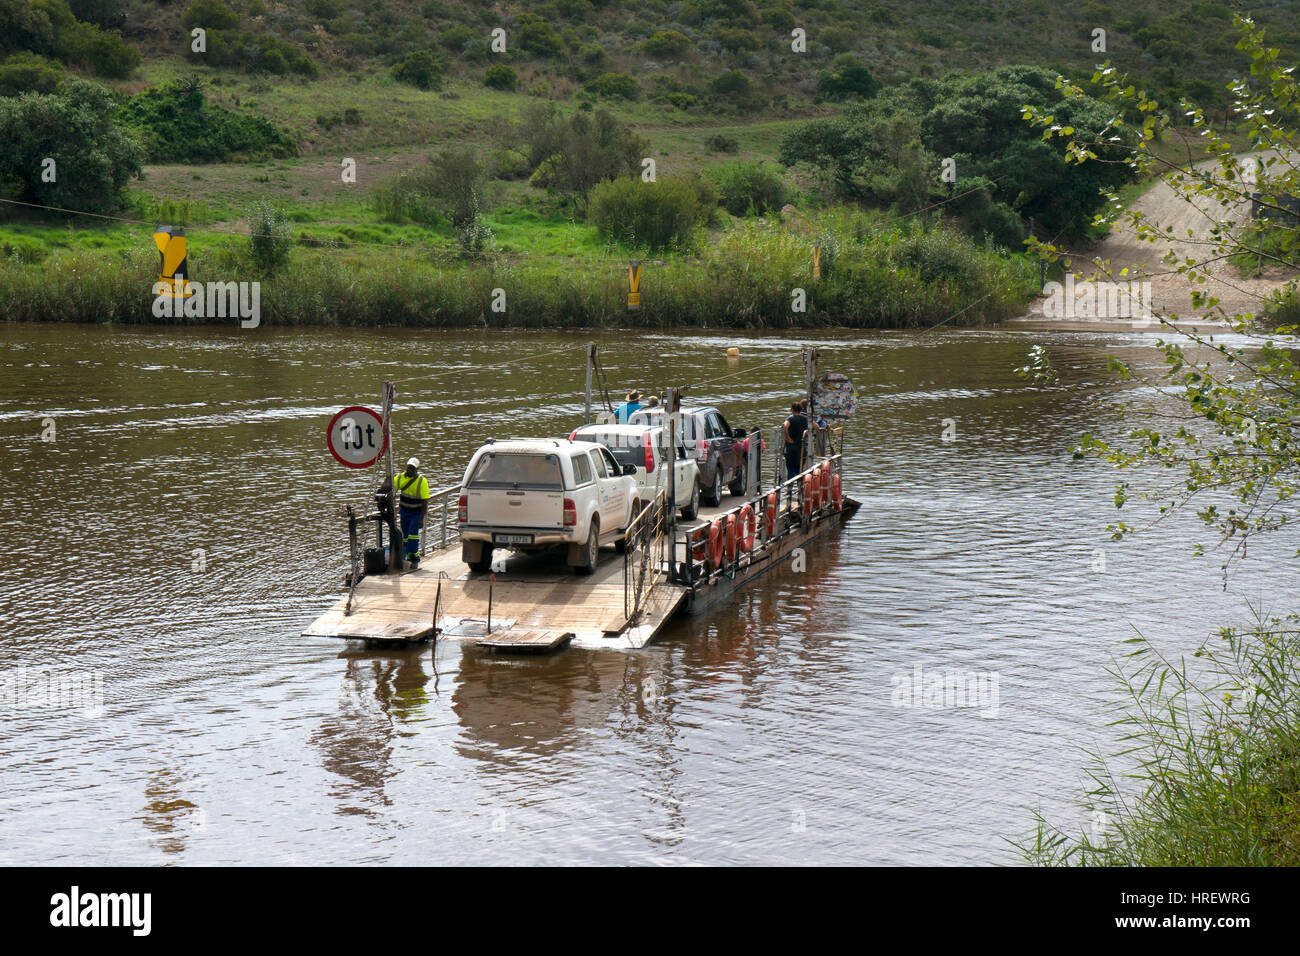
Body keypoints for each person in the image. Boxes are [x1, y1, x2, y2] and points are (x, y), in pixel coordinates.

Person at [392, 457, 431, 568]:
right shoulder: (399, 478)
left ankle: (414, 560)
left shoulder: (421, 482)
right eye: (408, 468)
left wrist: (421, 519)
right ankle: (405, 558)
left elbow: (424, 502)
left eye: (412, 469)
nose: (409, 471)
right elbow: (391, 489)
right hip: (404, 512)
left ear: (416, 470)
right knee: (404, 537)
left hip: (416, 513)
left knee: (412, 537)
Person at [782, 402, 808, 480]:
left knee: (790, 468)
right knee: (799, 468)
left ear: (792, 409)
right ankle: (800, 487)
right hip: (801, 447)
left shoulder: (790, 419)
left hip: (791, 446)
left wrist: (787, 438)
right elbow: (816, 426)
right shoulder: (805, 419)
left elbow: (785, 427)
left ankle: (789, 489)